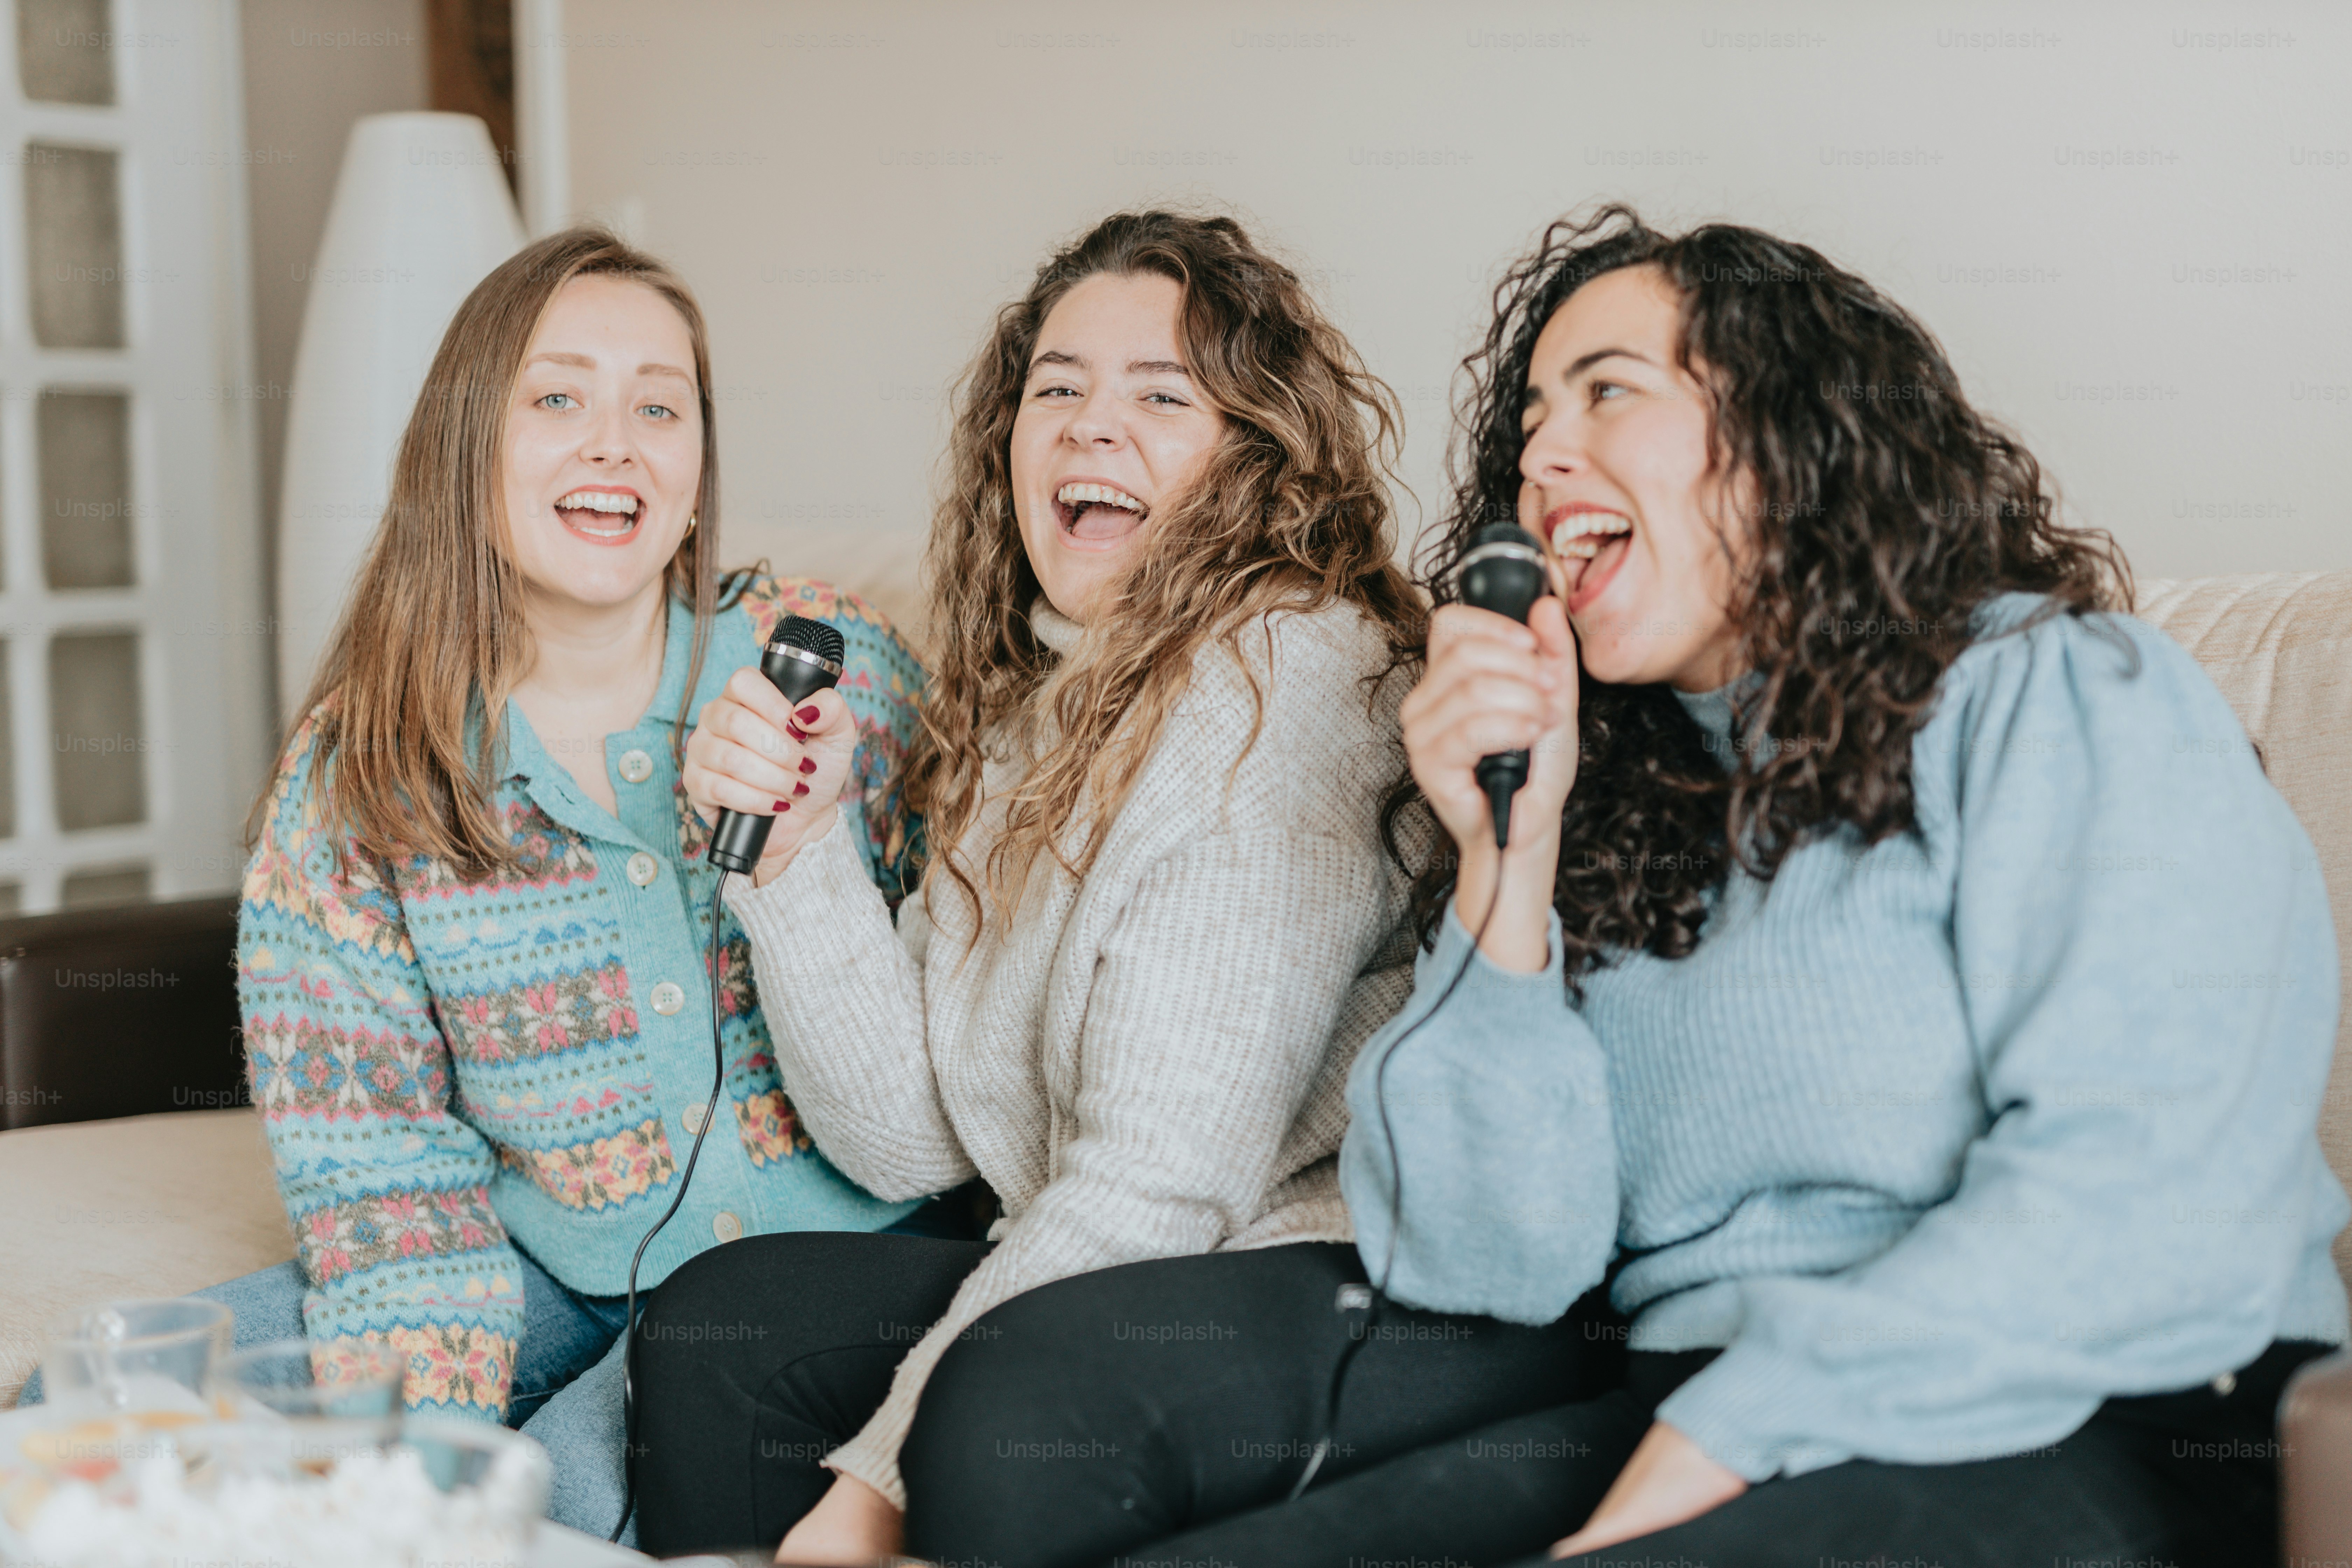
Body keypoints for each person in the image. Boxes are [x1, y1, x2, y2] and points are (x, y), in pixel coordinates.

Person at [881, 206, 2350, 1568]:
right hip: (1690, 1395)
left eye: (1606, 392)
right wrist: (1504, 864)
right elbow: (1484, 1258)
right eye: (1531, 418)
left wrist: (1723, 1437)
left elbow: (2151, 1188)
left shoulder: (2062, 695)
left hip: (2092, 1408)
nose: (1543, 457)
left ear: (1793, 432)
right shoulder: (1615, 800)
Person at [628, 209, 1427, 1561]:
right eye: (1055, 388)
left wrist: (866, 1500)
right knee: (719, 1328)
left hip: (1306, 1264)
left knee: (982, 1424)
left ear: (1258, 457)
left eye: (1161, 396)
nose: (1088, 427)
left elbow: (1160, 1188)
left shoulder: (1291, 680)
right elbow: (909, 1139)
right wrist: (800, 852)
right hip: (1129, 1251)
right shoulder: (1032, 715)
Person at [153, 227, 940, 1546]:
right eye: (558, 397)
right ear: (472, 453)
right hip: (549, 1269)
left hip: (833, 1277)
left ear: (695, 476)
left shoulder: (842, 676)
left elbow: (989, 976)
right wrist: (420, 1437)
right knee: (126, 1399)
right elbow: (380, 1171)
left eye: (659, 406)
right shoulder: (367, 769)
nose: (614, 443)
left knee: (562, 1505)